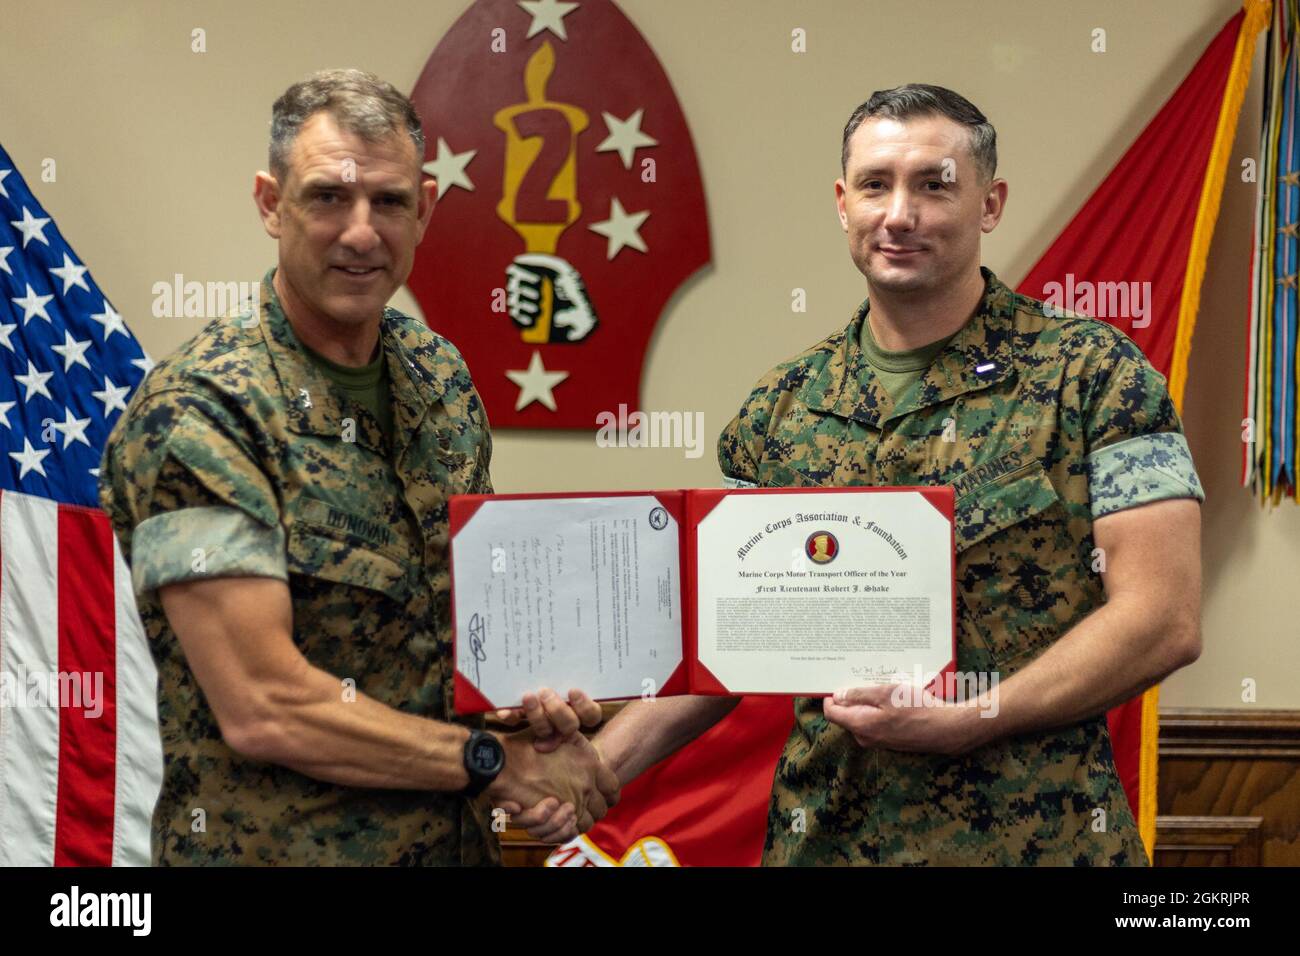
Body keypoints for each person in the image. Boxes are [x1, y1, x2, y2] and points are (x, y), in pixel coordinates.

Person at [532, 83, 1205, 865]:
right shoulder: (780, 408)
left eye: (933, 185)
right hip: (827, 840)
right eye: (877, 185)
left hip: (1034, 842)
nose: (900, 214)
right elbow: (723, 646)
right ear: (843, 203)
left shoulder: (1092, 377)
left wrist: (976, 714)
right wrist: (591, 772)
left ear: (990, 204)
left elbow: (1164, 616)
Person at [99, 69, 616, 865]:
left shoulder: (439, 378)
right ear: (272, 204)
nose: (362, 233)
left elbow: (464, 634)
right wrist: (488, 765)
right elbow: (265, 705)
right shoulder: (202, 411)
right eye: (328, 197)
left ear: (426, 209)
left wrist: (538, 717)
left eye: (390, 201)